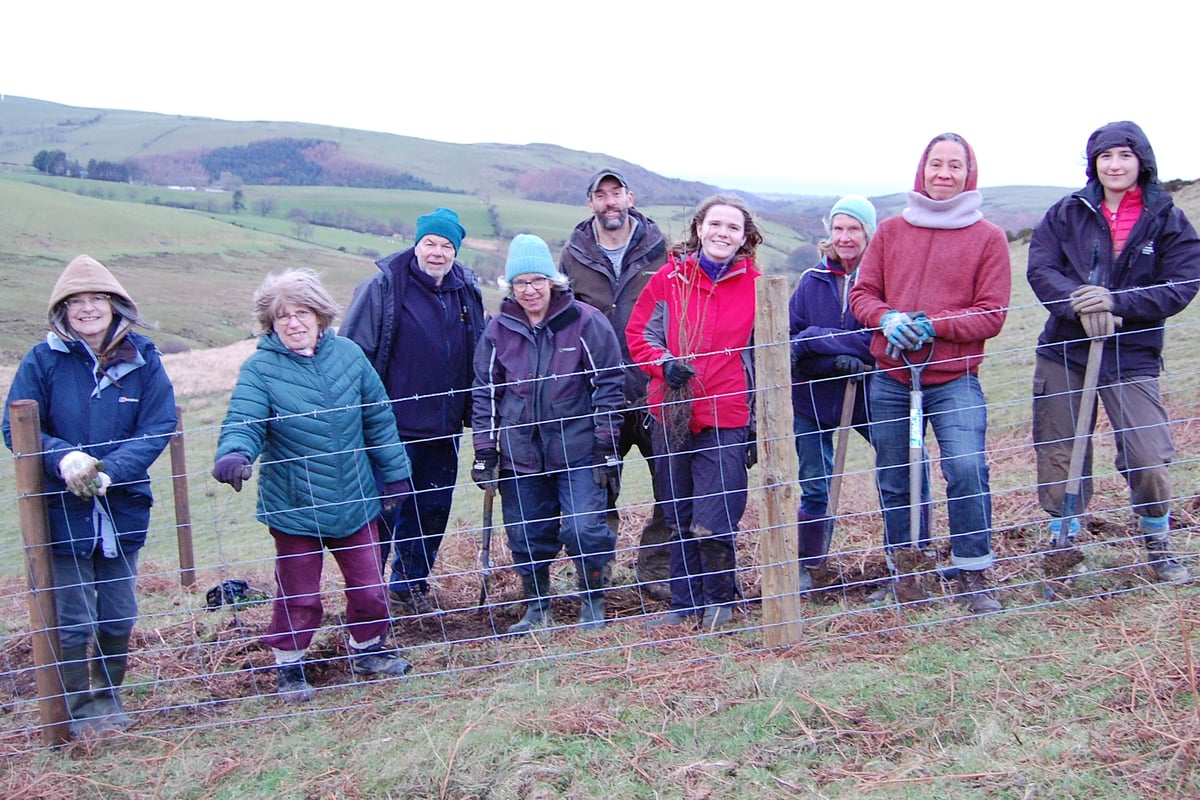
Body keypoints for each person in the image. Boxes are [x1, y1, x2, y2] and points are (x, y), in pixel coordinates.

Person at [212, 268, 415, 703]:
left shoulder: (349, 356)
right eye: (282, 316)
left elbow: (377, 419)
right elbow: (244, 421)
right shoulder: (261, 368)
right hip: (294, 505)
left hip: (355, 498)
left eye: (301, 312)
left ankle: (367, 650)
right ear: (271, 323)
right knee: (300, 596)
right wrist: (235, 455)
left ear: (320, 315)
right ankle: (290, 669)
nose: (293, 323)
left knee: (370, 589)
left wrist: (395, 472)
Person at [2, 255, 177, 736]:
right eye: (75, 301)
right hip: (61, 512)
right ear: (61, 310)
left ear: (115, 303)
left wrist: (111, 473)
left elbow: (159, 424)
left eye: (96, 298)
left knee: (119, 613)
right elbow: (15, 426)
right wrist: (63, 459)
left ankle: (108, 700)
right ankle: (78, 713)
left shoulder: (143, 357)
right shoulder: (44, 360)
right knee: (74, 619)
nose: (87, 309)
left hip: (121, 509)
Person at [1028, 121, 1200, 582]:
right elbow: (1042, 268)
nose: (1115, 165)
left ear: (1141, 160)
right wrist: (1078, 301)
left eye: (1124, 155)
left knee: (1148, 455)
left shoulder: (1167, 217)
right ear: (1094, 164)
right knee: (1060, 452)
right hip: (1065, 351)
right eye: (1106, 156)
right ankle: (1063, 546)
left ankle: (1157, 540)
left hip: (1133, 354)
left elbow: (1183, 284)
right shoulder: (1068, 212)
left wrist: (1117, 302)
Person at [849, 132, 1011, 613]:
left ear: (969, 174)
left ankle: (974, 572)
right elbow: (863, 295)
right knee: (897, 476)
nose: (943, 174)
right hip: (892, 378)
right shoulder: (892, 232)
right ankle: (907, 573)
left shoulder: (989, 238)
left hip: (954, 378)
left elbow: (992, 314)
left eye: (954, 166)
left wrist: (932, 326)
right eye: (935, 164)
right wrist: (887, 319)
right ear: (922, 170)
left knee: (965, 468)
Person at [470, 234, 624, 634]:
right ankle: (537, 606)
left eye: (537, 280)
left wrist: (607, 445)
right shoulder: (497, 332)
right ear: (510, 285)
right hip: (521, 454)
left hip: (578, 450)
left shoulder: (587, 323)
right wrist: (485, 451)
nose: (530, 290)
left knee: (583, 527)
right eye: (521, 282)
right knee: (526, 534)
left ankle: (593, 600)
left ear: (553, 281)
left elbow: (608, 385)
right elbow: (485, 394)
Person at [341, 207, 486, 616]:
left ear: (455, 250)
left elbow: (477, 350)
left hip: (444, 426)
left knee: (432, 508)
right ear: (416, 243)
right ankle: (368, 593)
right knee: (384, 511)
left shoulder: (466, 290)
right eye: (429, 243)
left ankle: (409, 586)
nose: (437, 252)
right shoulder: (383, 287)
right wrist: (360, 416)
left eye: (446, 245)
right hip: (391, 427)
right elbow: (354, 353)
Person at [626, 194, 762, 631]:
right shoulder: (669, 279)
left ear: (745, 237)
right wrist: (663, 363)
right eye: (715, 224)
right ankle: (684, 603)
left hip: (726, 412)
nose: (723, 233)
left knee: (716, 510)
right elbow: (639, 333)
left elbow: (769, 353)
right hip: (672, 411)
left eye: (733, 228)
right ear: (699, 228)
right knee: (677, 509)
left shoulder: (757, 286)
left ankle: (721, 599)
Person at [559, 169, 672, 599]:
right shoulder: (572, 256)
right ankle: (597, 572)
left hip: (655, 388)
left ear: (630, 197)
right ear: (590, 203)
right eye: (600, 195)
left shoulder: (662, 252)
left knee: (669, 484)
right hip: (597, 395)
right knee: (597, 489)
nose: (610, 202)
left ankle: (657, 568)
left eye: (616, 193)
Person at [789, 196, 877, 590]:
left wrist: (815, 341)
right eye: (838, 228)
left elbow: (875, 340)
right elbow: (789, 342)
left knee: (903, 466)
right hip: (811, 397)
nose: (845, 237)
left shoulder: (883, 278)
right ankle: (811, 567)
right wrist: (827, 354)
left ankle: (908, 554)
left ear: (868, 233)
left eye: (854, 228)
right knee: (813, 481)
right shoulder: (812, 281)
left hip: (869, 392)